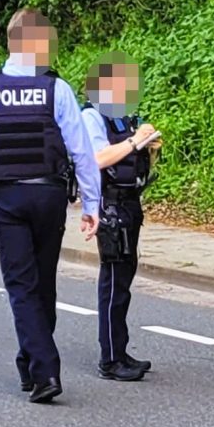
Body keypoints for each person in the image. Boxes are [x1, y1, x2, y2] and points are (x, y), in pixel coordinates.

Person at [0, 8, 99, 403]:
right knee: (42, 282)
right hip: (50, 196)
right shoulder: (57, 89)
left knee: (22, 287)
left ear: (10, 43)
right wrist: (92, 203)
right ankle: (30, 362)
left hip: (7, 198)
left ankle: (44, 373)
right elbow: (82, 153)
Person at [82, 55, 160, 381]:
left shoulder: (122, 117)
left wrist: (150, 147)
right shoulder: (91, 117)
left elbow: (133, 157)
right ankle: (110, 359)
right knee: (113, 282)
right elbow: (98, 159)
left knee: (123, 281)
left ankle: (120, 350)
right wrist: (134, 142)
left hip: (130, 204)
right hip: (110, 206)